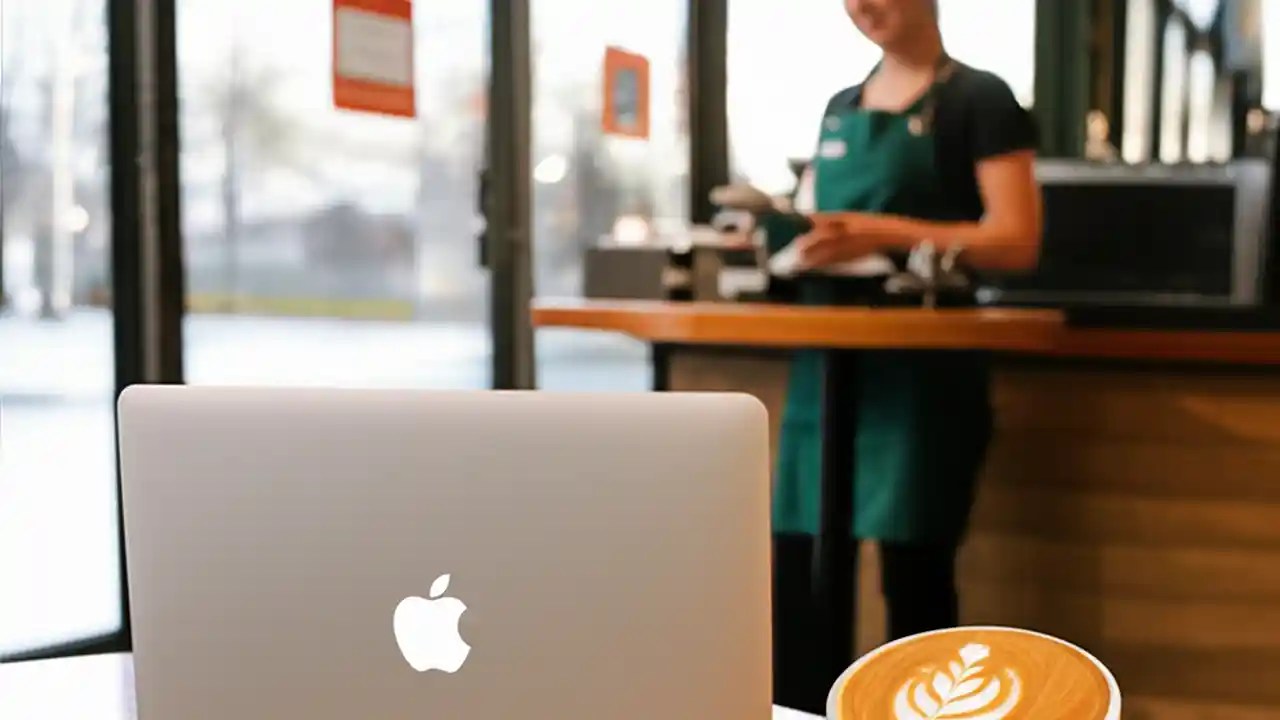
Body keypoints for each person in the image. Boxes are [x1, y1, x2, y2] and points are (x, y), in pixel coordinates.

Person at [769, 0, 1043, 709]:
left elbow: (1016, 239)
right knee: (798, 564)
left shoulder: (981, 99)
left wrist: (879, 232)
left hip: (925, 367)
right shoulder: (839, 105)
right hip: (824, 362)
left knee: (915, 573)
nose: (861, 6)